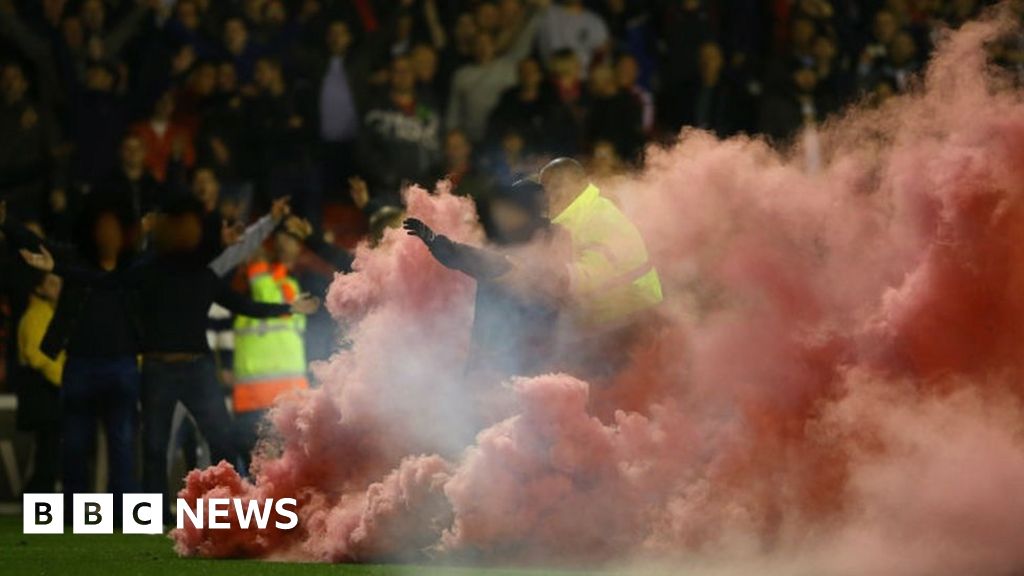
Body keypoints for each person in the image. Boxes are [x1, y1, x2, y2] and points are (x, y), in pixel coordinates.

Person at [16, 271, 64, 494]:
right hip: (43, 392)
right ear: (39, 288)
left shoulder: (49, 314)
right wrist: (64, 378)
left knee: (49, 450)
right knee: (48, 450)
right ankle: (37, 499)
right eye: (52, 284)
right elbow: (37, 357)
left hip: (47, 391)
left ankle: (37, 499)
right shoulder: (37, 315)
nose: (59, 288)